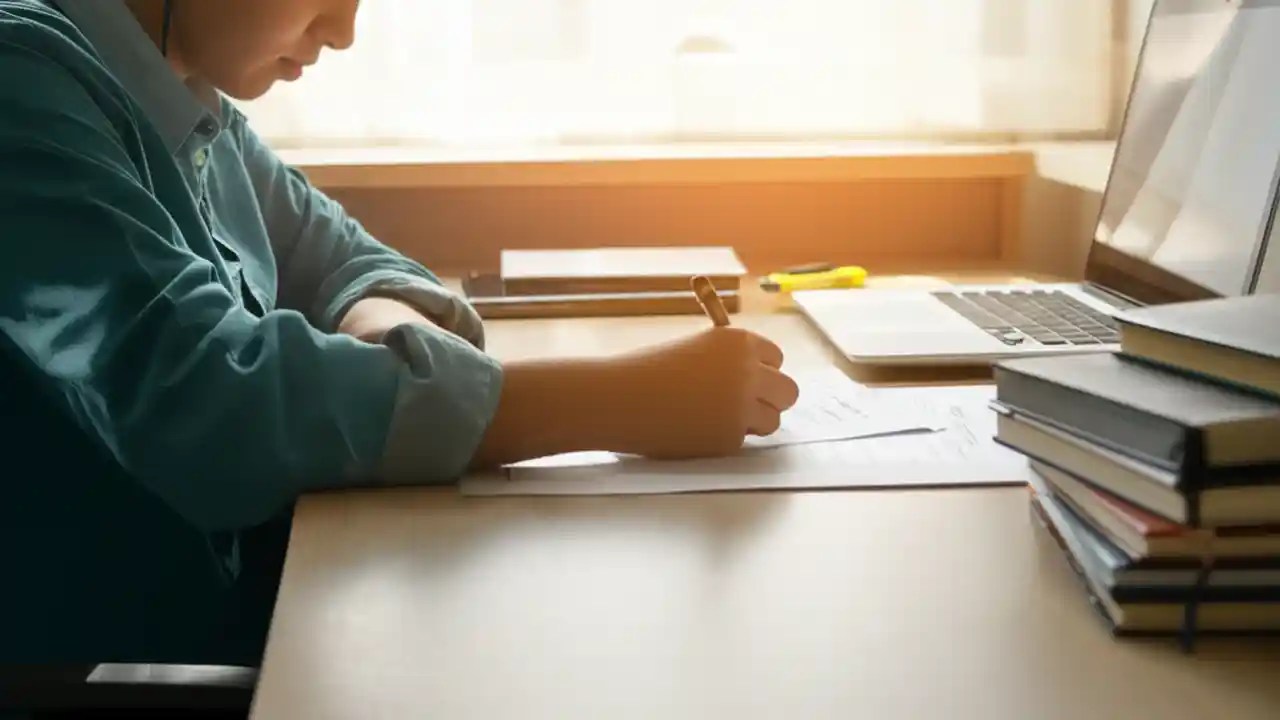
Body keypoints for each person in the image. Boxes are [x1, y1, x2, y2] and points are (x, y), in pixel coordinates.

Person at [0, 0, 798, 668]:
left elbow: (344, 259)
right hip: (131, 670)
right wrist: (620, 402)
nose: (344, 30)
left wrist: (394, 339)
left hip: (251, 627)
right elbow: (211, 401)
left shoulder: (187, 100)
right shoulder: (20, 75)